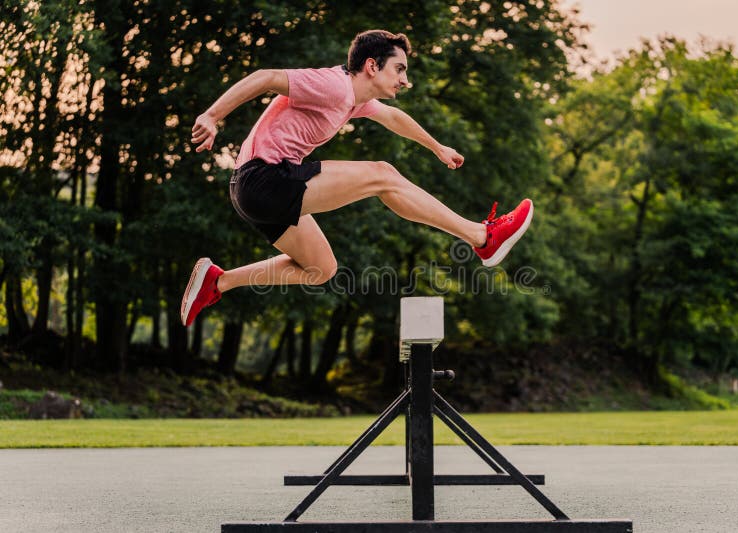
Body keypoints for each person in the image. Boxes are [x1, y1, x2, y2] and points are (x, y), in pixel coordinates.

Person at [181, 30, 533, 327]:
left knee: (321, 268)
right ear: (371, 66)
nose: (405, 80)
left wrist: (437, 147)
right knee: (382, 175)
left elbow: (393, 118)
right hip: (263, 179)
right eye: (399, 69)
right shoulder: (333, 85)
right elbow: (266, 77)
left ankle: (218, 282)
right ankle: (482, 237)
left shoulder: (354, 100)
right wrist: (212, 116)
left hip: (253, 191)